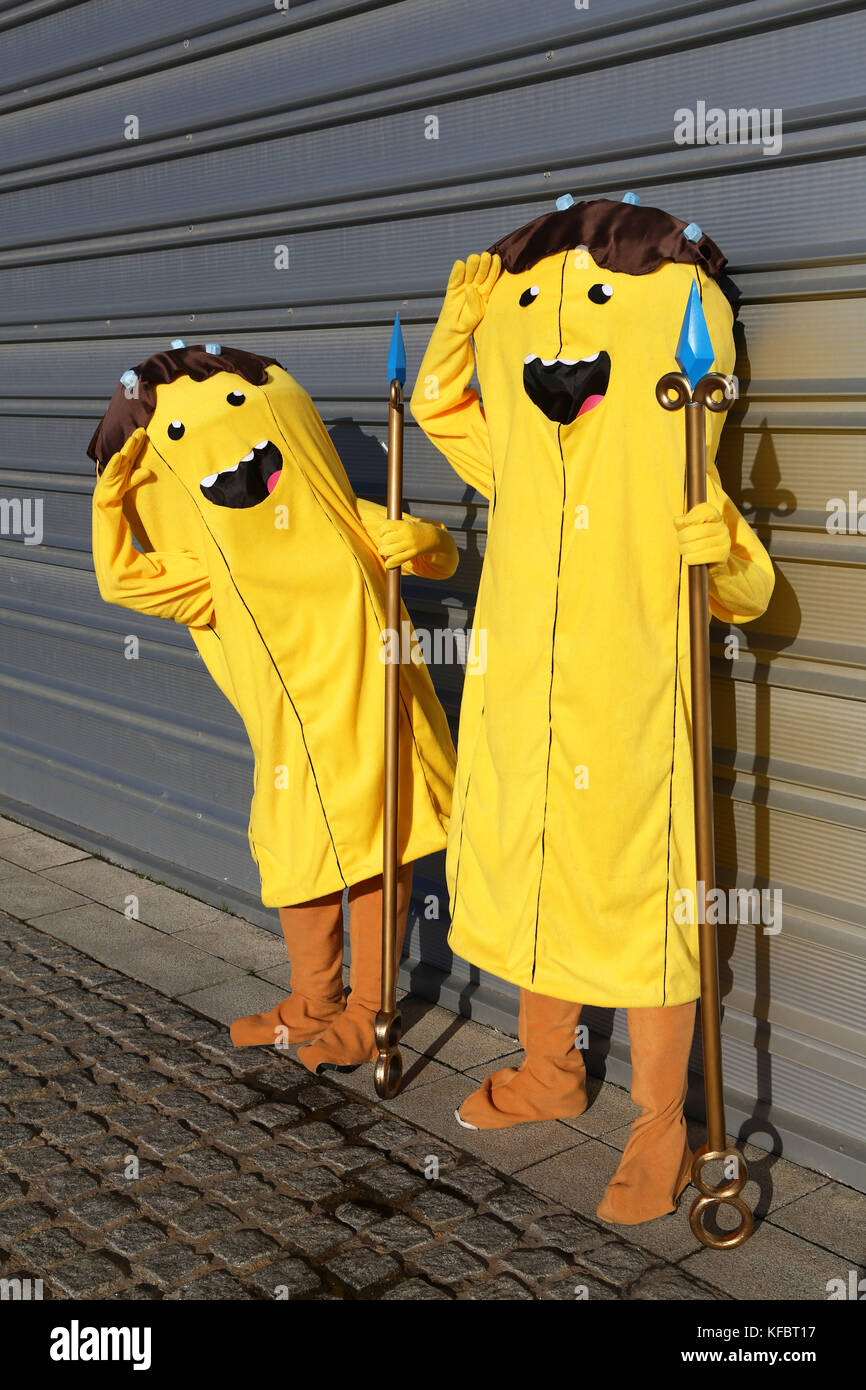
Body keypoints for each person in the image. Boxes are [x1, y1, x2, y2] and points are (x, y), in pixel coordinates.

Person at [411, 196, 774, 1224]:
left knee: (640, 896)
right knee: (534, 869)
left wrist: (722, 551)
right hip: (524, 689)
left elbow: (748, 594)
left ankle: (663, 1125)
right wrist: (462, 316)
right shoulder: (517, 446)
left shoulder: (673, 440)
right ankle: (548, 1069)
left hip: (627, 696)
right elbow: (440, 407)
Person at [90, 343, 457, 1074]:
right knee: (299, 858)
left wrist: (420, 539)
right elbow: (122, 580)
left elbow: (435, 558)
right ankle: (314, 1001)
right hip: (291, 740)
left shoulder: (338, 513)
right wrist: (110, 493)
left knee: (378, 850)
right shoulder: (207, 569)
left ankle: (370, 1011)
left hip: (373, 708)